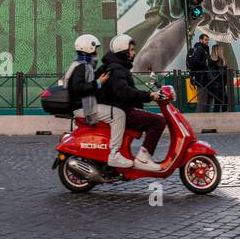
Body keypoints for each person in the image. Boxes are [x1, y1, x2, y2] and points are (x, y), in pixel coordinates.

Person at [96, 34, 166, 171]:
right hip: (120, 110)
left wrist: (142, 99)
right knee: (158, 121)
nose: (134, 53)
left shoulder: (118, 67)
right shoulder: (116, 69)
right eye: (132, 50)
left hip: (122, 108)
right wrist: (149, 95)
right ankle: (143, 159)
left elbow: (128, 92)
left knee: (151, 118)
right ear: (124, 52)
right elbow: (124, 92)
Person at [65, 34, 109, 132]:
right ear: (89, 48)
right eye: (95, 49)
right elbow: (79, 87)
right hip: (82, 107)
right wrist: (98, 83)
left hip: (81, 105)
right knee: (118, 114)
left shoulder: (84, 65)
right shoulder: (82, 66)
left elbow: (88, 81)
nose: (96, 52)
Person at [186, 33, 211, 113]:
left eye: (208, 40)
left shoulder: (202, 48)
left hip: (201, 77)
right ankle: (199, 115)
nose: (207, 41)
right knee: (202, 99)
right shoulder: (200, 49)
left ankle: (203, 114)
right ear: (201, 40)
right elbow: (196, 61)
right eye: (206, 40)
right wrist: (205, 63)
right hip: (201, 77)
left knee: (204, 98)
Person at [206, 43, 228, 112]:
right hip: (217, 84)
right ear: (217, 50)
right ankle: (221, 116)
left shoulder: (218, 60)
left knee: (219, 102)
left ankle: (219, 116)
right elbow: (220, 73)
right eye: (220, 50)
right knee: (221, 101)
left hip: (219, 84)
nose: (222, 51)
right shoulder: (216, 60)